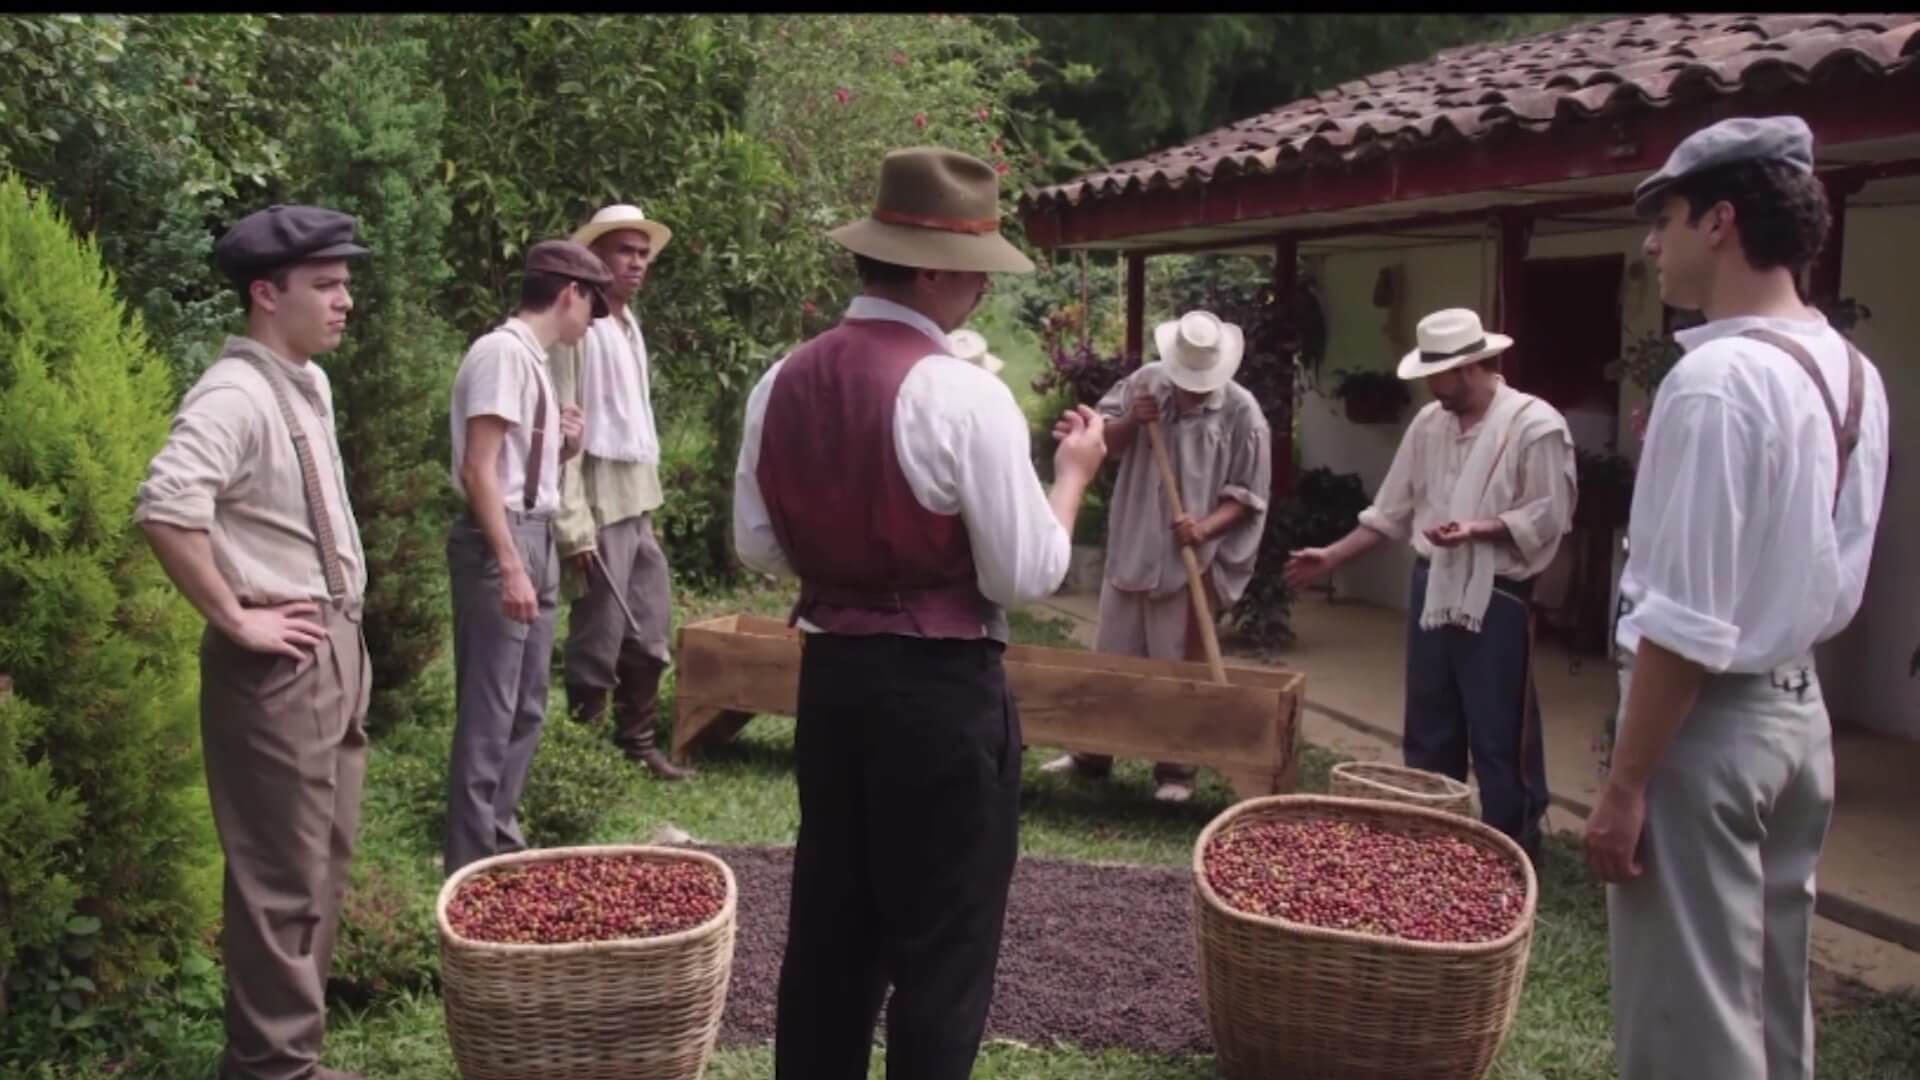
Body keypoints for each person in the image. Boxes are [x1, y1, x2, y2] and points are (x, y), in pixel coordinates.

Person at [732, 146, 1107, 1080]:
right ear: (935, 267)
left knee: (832, 929)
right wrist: (1071, 478)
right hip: (938, 691)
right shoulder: (963, 393)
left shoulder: (781, 379)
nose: (981, 290)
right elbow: (1025, 572)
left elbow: (758, 546)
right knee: (944, 946)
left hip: (833, 684)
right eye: (977, 269)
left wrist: (843, 566)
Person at [1584, 115, 1890, 1080]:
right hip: (1797, 721)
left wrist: (1625, 785)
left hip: (1704, 726)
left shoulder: (1715, 380)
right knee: (1766, 998)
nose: (1650, 243)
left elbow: (1685, 622)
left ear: (1719, 221)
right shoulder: (1848, 370)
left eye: (1663, 218)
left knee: (1688, 1025)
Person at [134, 204, 373, 1080]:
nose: (344, 301)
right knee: (279, 879)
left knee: (321, 867)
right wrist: (234, 616)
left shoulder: (304, 382)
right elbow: (167, 507)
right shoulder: (234, 393)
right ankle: (272, 1069)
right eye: (326, 286)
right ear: (266, 294)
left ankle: (287, 1058)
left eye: (346, 284)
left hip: (332, 649)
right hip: (280, 666)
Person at [1284, 308, 1576, 860]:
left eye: (1433, 376)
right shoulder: (1429, 425)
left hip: (1498, 591)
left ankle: (1510, 844)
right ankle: (1429, 837)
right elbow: (1391, 511)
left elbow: (1548, 517)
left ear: (1466, 369)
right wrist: (1332, 556)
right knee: (1429, 719)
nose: (1427, 387)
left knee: (1498, 727)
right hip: (1433, 583)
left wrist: (1480, 529)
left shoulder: (1535, 426)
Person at [1040, 309, 1272, 803]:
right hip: (1134, 542)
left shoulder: (1242, 412)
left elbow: (1248, 495)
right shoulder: (1146, 383)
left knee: (1177, 664)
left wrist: (1204, 526)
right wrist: (1129, 422)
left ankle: (1175, 769)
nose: (1190, 390)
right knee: (1112, 654)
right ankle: (1091, 754)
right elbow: (1101, 445)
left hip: (1192, 560)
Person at [442, 240, 607, 876]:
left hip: (533, 531)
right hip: (501, 540)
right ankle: (468, 865)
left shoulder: (532, 361)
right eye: (590, 307)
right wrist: (510, 562)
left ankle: (500, 849)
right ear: (571, 292)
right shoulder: (502, 354)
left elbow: (511, 468)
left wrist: (560, 450)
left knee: (527, 704)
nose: (588, 325)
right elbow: (479, 471)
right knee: (489, 713)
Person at [549, 203, 692, 779]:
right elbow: (565, 427)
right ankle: (585, 754)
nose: (636, 263)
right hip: (597, 492)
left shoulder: (630, 325)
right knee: (600, 629)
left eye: (642, 253)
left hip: (637, 495)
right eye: (624, 252)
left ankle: (637, 743)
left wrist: (648, 508)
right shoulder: (577, 329)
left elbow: (637, 424)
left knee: (650, 620)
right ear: (597, 258)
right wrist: (572, 518)